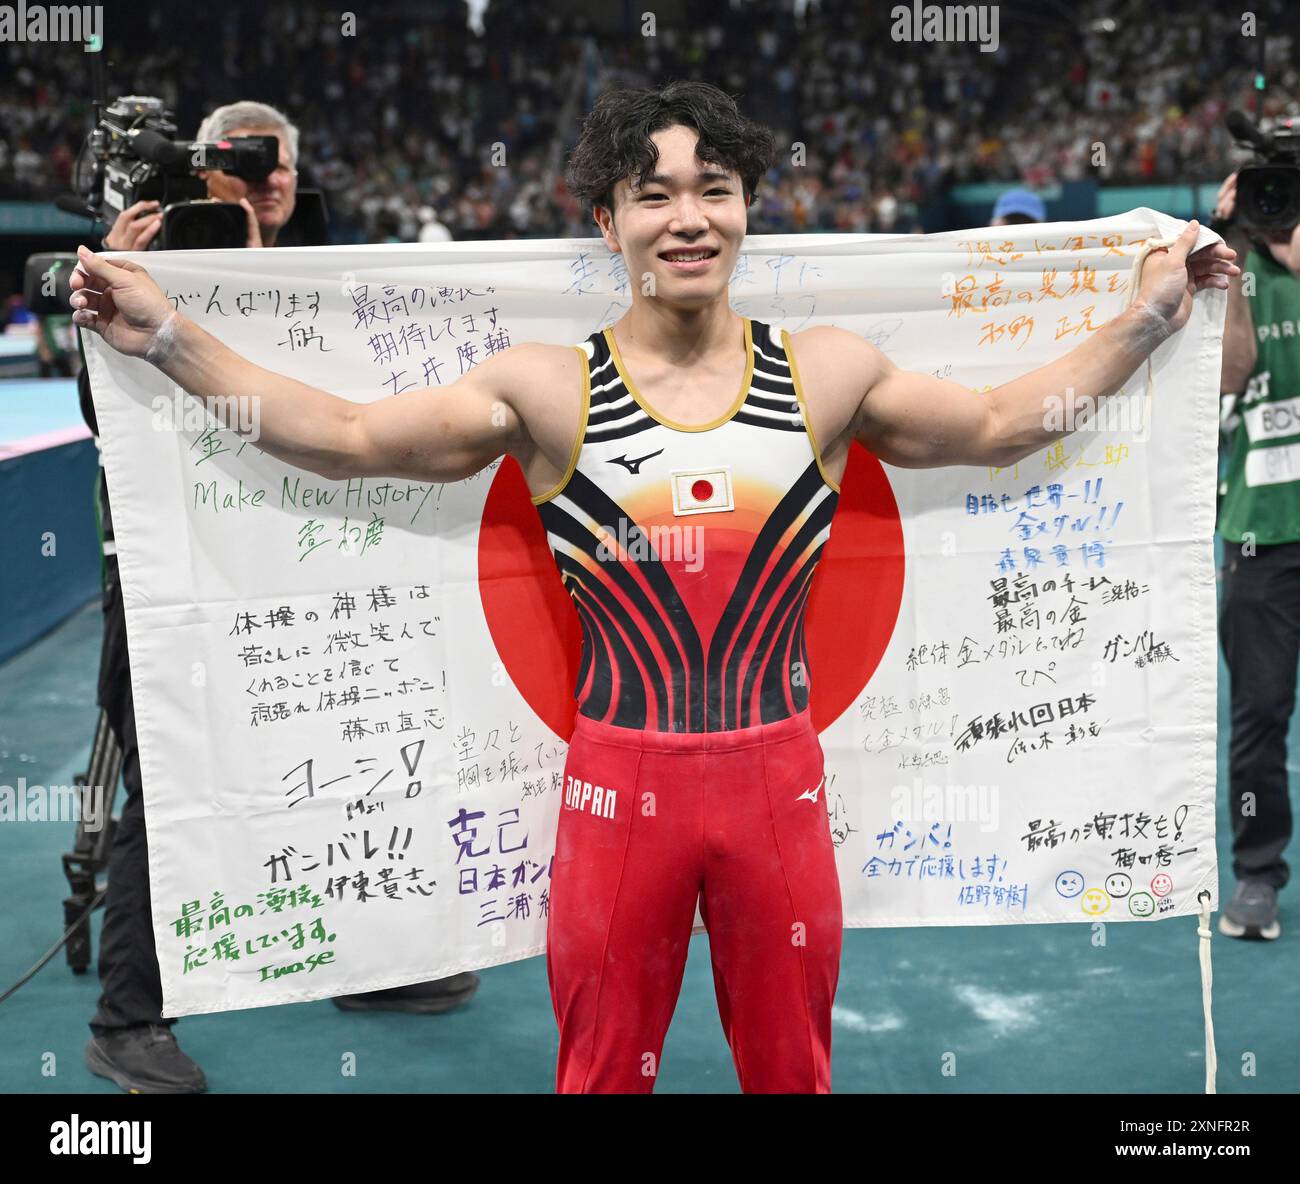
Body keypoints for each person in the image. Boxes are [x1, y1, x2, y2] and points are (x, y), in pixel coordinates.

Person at [68, 79, 1236, 1094]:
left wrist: (1147, 313)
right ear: (608, 221)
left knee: (794, 1074)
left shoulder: (825, 373)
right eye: (655, 193)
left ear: (746, 209)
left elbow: (993, 425)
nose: (688, 217)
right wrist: (165, 331)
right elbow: (345, 436)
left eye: (713, 187)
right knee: (596, 1076)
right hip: (614, 797)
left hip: (777, 791)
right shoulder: (548, 389)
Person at [81, 100, 477, 1097]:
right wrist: (118, 275)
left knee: (349, 755)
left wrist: (263, 255)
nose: (266, 182)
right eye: (242, 168)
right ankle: (129, 1018)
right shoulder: (148, 259)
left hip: (306, 572)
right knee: (168, 781)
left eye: (279, 165)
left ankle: (369, 967)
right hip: (172, 571)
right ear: (199, 172)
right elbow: (105, 416)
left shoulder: (330, 271)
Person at [1212, 167, 1300, 940]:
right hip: (1260, 534)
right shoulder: (1249, 277)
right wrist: (1237, 257)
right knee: (1260, 714)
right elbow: (1229, 371)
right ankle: (1257, 877)